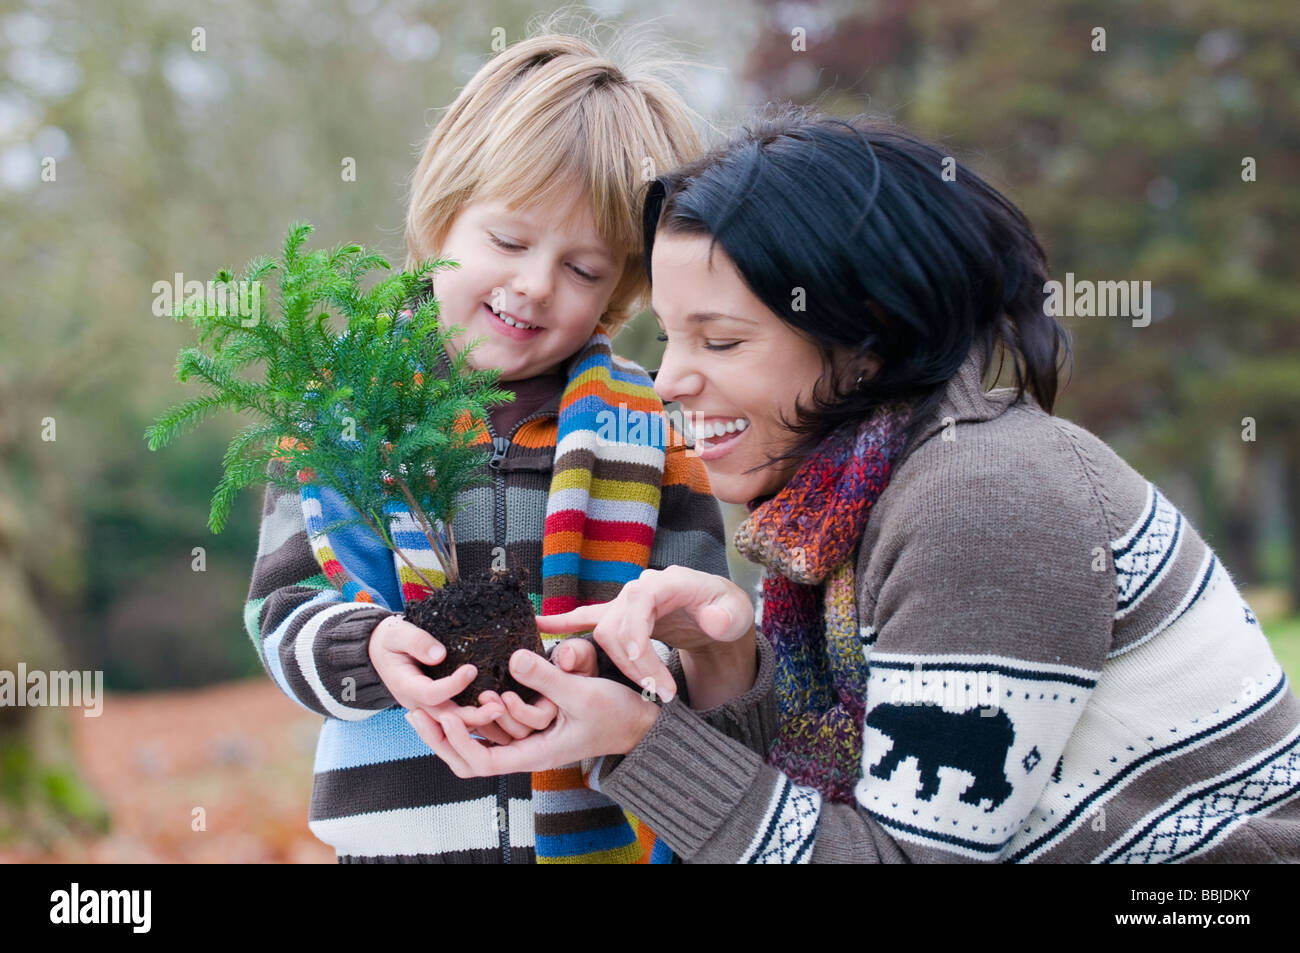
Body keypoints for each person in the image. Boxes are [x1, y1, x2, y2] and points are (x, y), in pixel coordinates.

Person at [408, 104, 1300, 863]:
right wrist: (724, 659)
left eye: (719, 341)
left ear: (864, 334)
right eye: (670, 338)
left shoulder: (982, 501)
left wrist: (637, 737)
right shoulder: (840, 508)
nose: (671, 379)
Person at [243, 25, 728, 864]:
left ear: (622, 288)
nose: (535, 284)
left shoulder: (653, 431)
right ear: (443, 217)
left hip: (604, 831)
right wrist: (372, 651)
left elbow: (694, 632)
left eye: (583, 270)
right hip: (403, 842)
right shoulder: (346, 418)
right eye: (508, 240)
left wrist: (603, 665)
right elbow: (280, 614)